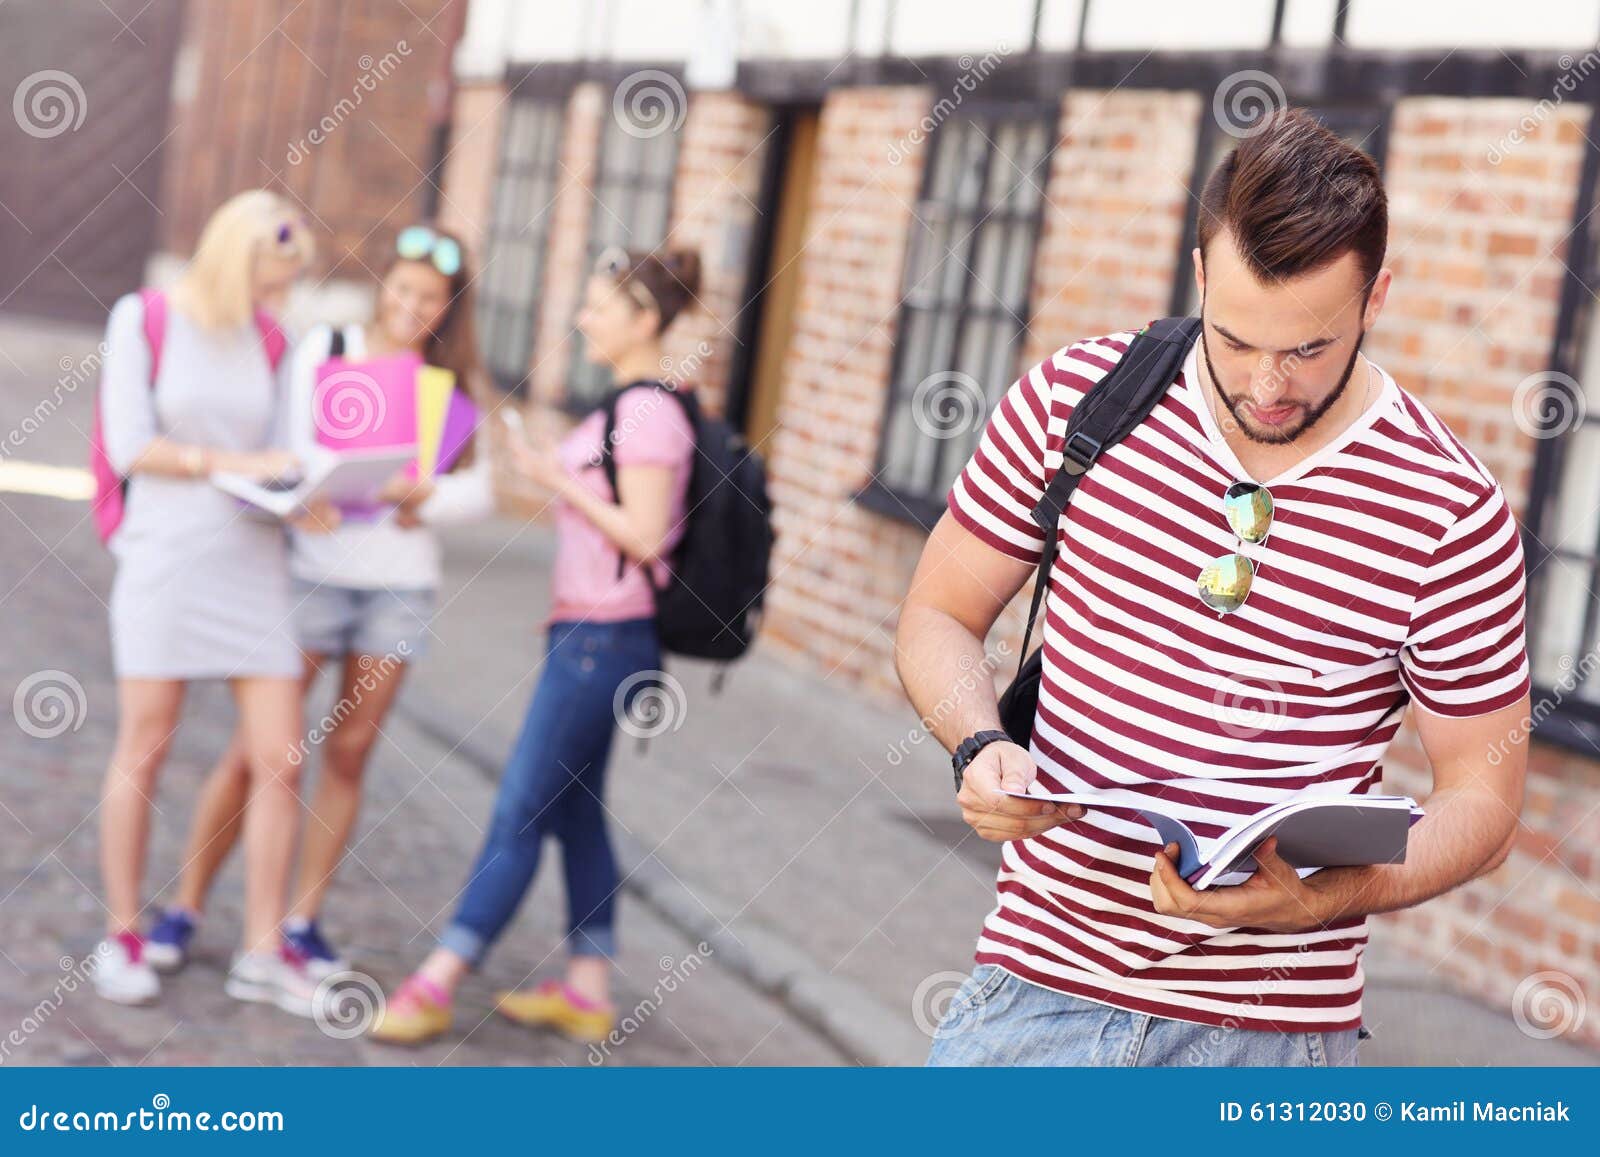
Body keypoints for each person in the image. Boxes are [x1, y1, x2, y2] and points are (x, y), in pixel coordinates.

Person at [899, 109, 1530, 1067]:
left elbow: (1483, 803)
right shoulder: (1076, 401)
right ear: (1199, 278)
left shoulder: (1451, 511)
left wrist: (1325, 897)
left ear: (1376, 298)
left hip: (1273, 1044)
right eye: (1235, 340)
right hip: (1031, 1003)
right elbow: (940, 613)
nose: (1267, 383)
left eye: (1310, 349)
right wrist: (977, 741)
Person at [368, 246, 703, 1046]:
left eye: (598, 305)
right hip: (586, 633)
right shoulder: (626, 404)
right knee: (575, 808)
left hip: (606, 641)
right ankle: (588, 988)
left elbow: (649, 538)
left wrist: (553, 481)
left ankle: (438, 979)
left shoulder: (649, 413)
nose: (584, 318)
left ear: (645, 320)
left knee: (521, 806)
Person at [145, 224, 496, 979]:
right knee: (260, 750)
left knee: (350, 750)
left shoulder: (451, 380)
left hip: (396, 585)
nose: (412, 307)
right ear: (383, 285)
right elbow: (281, 444)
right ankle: (185, 904)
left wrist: (424, 497)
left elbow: (481, 490)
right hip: (309, 571)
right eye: (403, 290)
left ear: (449, 307)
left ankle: (301, 919)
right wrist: (302, 497)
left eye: (430, 298)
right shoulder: (325, 349)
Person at [92, 189, 334, 1015]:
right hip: (166, 557)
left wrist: (310, 489)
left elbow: (290, 450)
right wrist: (235, 464)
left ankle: (263, 949)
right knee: (146, 744)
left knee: (283, 756)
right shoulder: (146, 317)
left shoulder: (276, 342)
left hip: (252, 562)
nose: (284, 295)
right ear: (239, 259)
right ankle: (123, 930)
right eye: (276, 277)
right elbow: (131, 444)